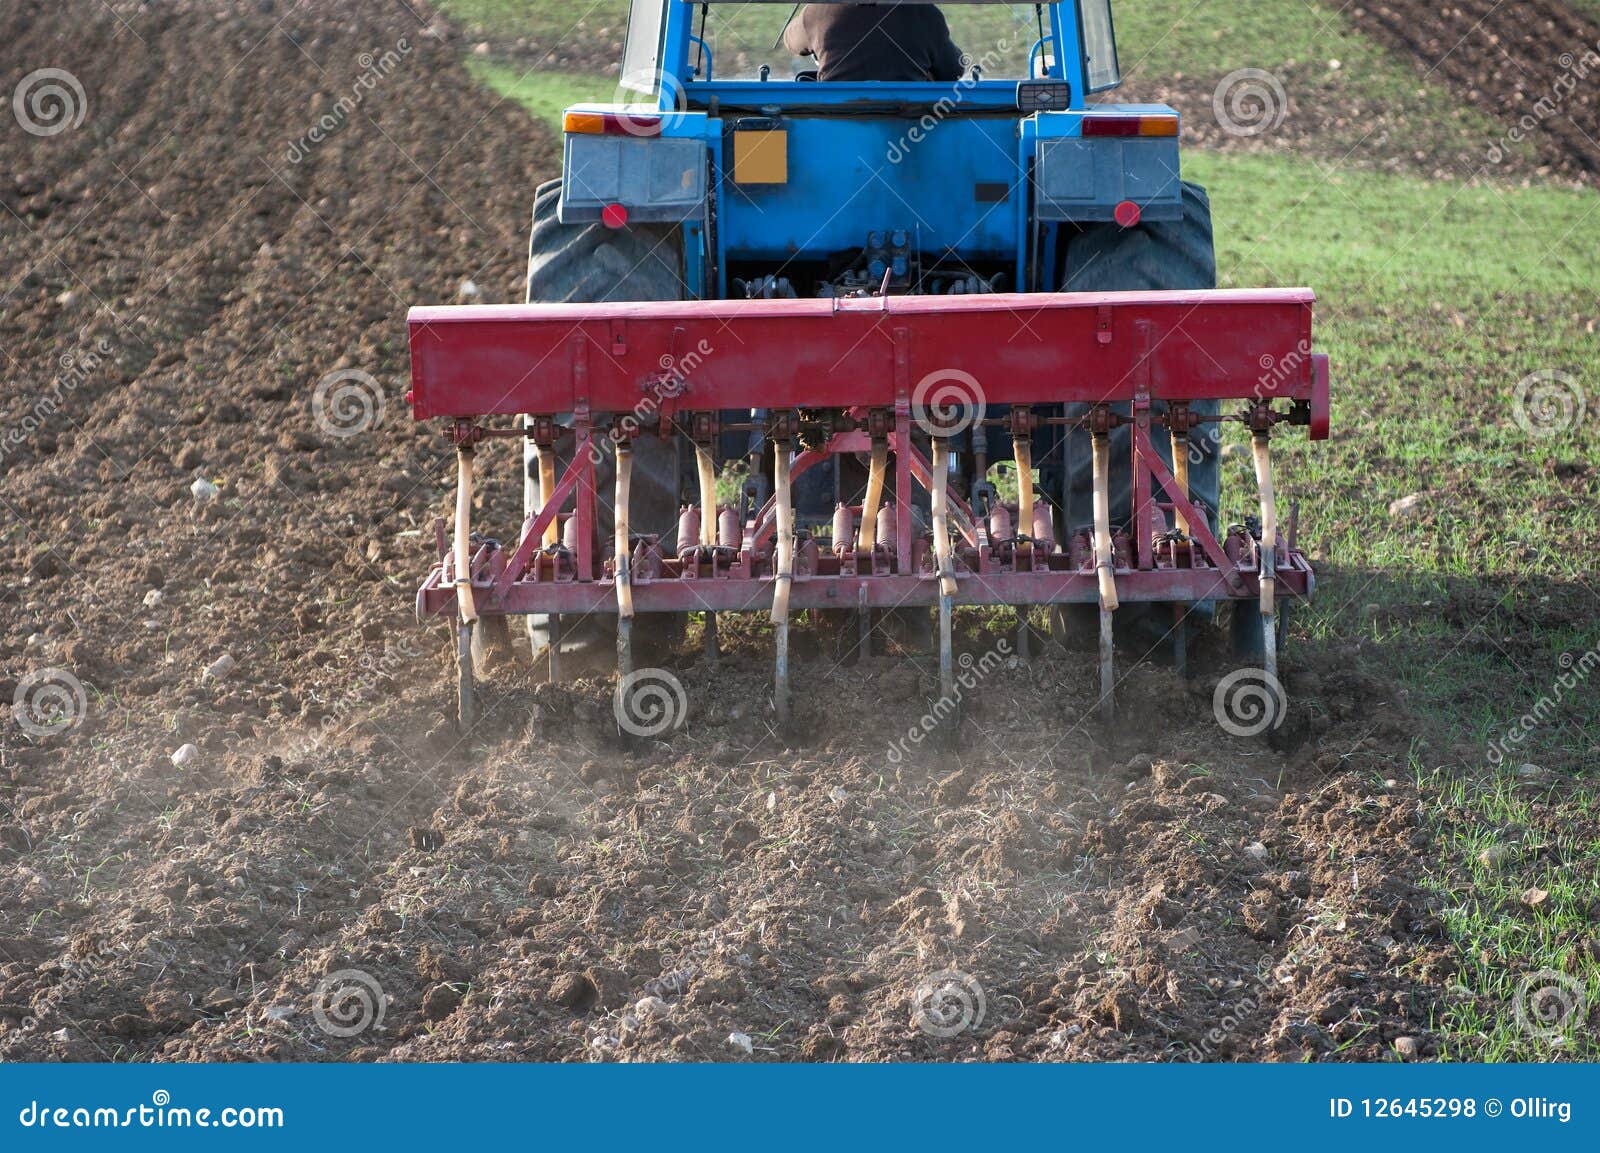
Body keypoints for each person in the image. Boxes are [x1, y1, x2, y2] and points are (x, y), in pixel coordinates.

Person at [783, 3, 965, 83]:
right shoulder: (925, 12)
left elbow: (791, 42)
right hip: (910, 130)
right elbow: (953, 71)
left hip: (835, 128)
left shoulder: (817, 12)